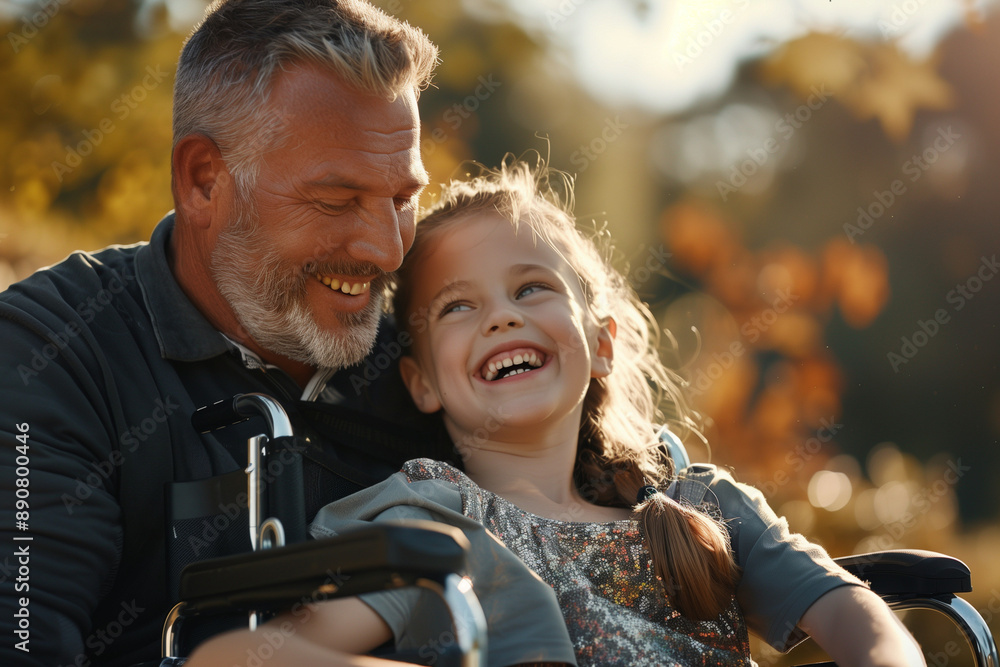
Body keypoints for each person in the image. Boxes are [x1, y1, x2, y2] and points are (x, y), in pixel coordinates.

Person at [297, 158, 927, 666]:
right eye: (457, 306)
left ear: (601, 343)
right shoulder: (435, 521)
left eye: (531, 288)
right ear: (422, 382)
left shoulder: (699, 506)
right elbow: (248, 656)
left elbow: (857, 620)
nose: (501, 315)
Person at [0, 0, 445, 665]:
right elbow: (23, 643)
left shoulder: (440, 359)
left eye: (403, 199)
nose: (387, 250)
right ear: (204, 179)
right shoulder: (51, 351)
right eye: (335, 199)